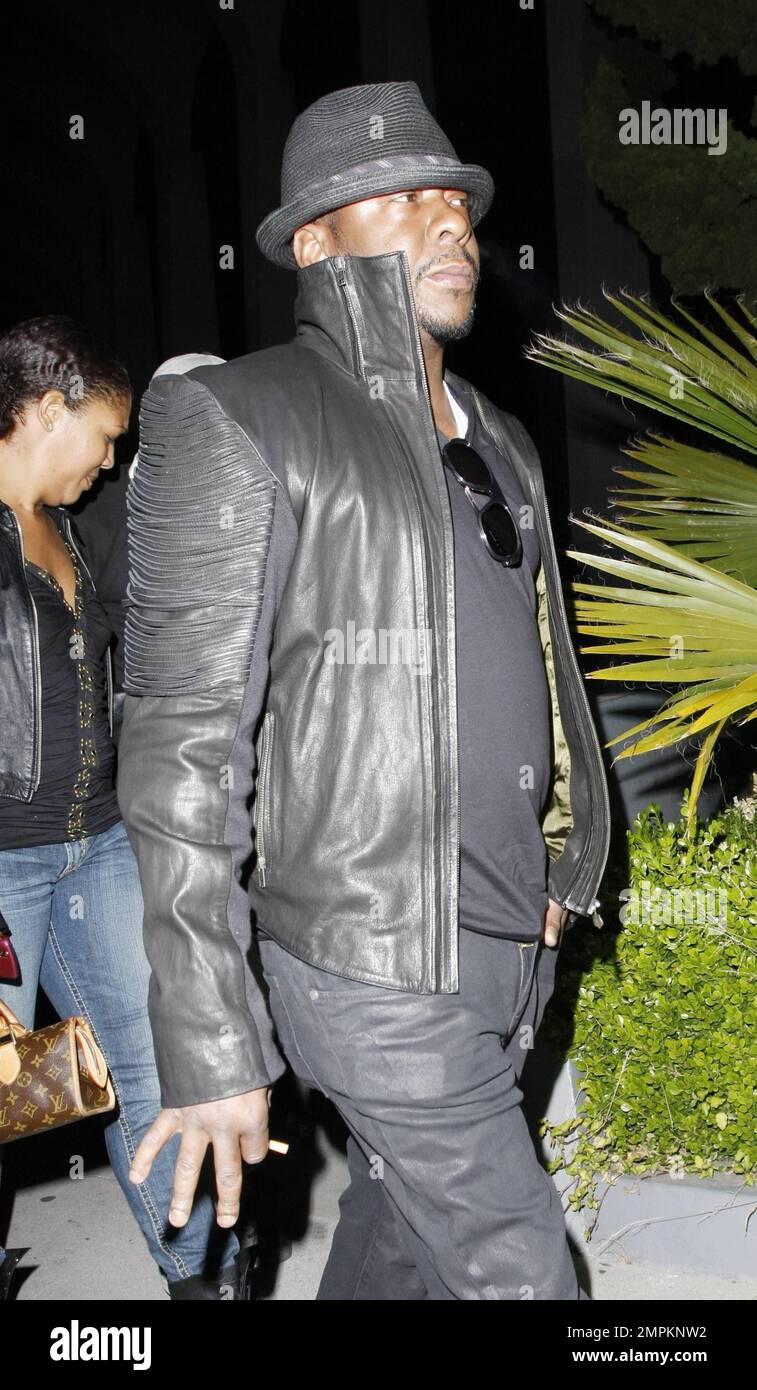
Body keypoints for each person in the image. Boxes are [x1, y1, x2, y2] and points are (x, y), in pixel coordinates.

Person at [117, 81, 611, 1299]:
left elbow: (540, 677)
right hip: (363, 956)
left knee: (400, 1247)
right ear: (313, 239)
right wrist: (211, 1036)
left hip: (506, 940)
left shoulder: (501, 436)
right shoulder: (238, 414)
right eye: (402, 199)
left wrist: (556, 867)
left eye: (456, 199)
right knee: (523, 1270)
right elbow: (181, 748)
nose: (451, 222)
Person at [0, 316, 253, 1299]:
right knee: (8, 1089)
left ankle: (205, 1275)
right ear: (47, 407)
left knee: (151, 1059)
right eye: (102, 436)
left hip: (97, 845)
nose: (109, 462)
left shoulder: (69, 529)